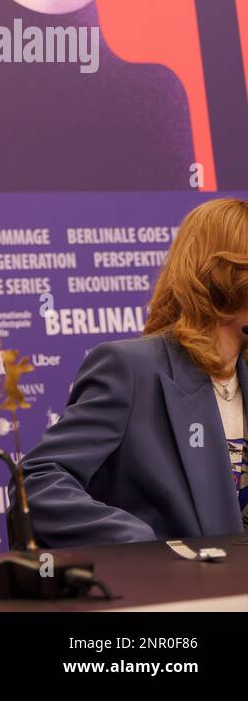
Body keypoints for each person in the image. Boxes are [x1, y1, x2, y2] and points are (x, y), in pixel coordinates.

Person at [19, 198, 248, 547]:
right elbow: (38, 481)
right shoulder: (130, 368)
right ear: (228, 276)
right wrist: (141, 545)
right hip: (181, 595)